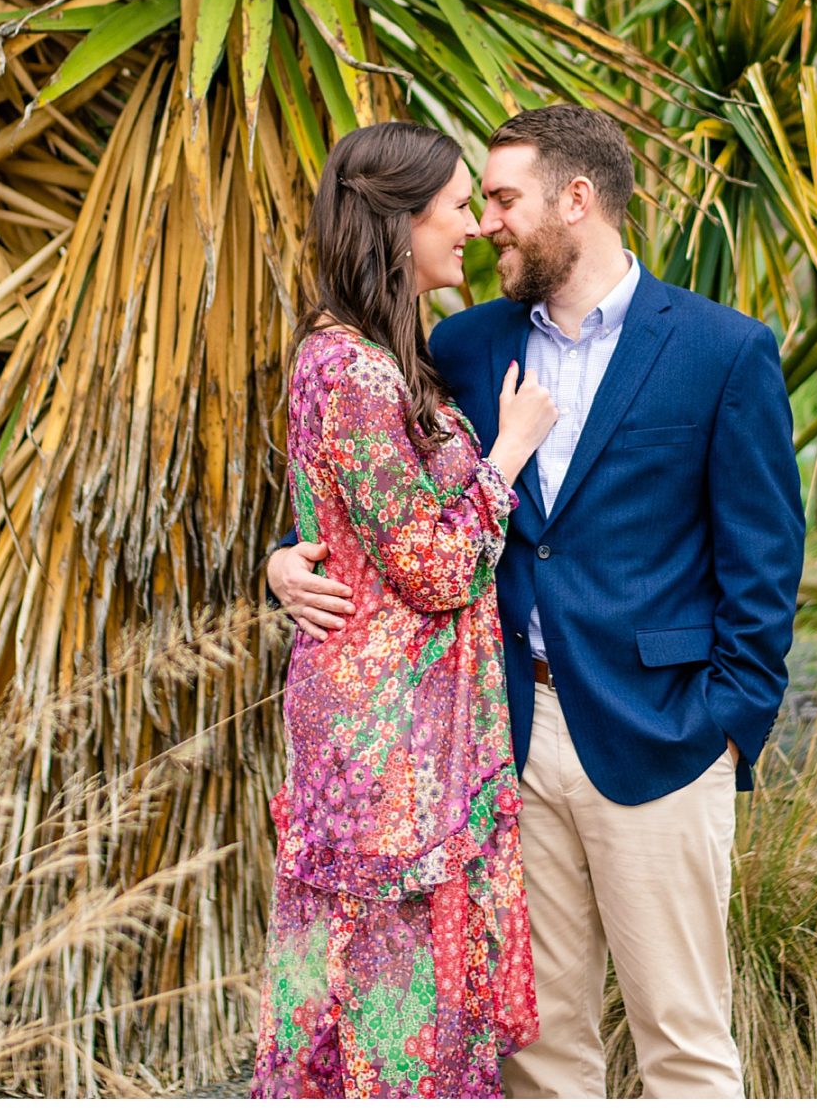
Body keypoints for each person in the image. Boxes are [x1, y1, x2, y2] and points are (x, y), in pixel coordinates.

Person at [271, 104, 805, 1100]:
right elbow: (368, 473)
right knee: (538, 1048)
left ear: (576, 199)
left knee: (682, 1040)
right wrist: (285, 558)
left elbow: (765, 561)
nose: (486, 224)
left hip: (662, 733)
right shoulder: (463, 345)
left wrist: (727, 726)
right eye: (476, 203)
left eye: (504, 198)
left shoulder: (720, 350)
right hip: (506, 736)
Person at [253, 120, 562, 1099]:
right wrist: (507, 453)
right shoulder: (350, 371)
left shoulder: (374, 360)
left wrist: (281, 562)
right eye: (459, 206)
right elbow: (432, 564)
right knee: (389, 1017)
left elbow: (353, 530)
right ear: (399, 221)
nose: (473, 226)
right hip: (382, 751)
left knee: (395, 1004)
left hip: (397, 734)